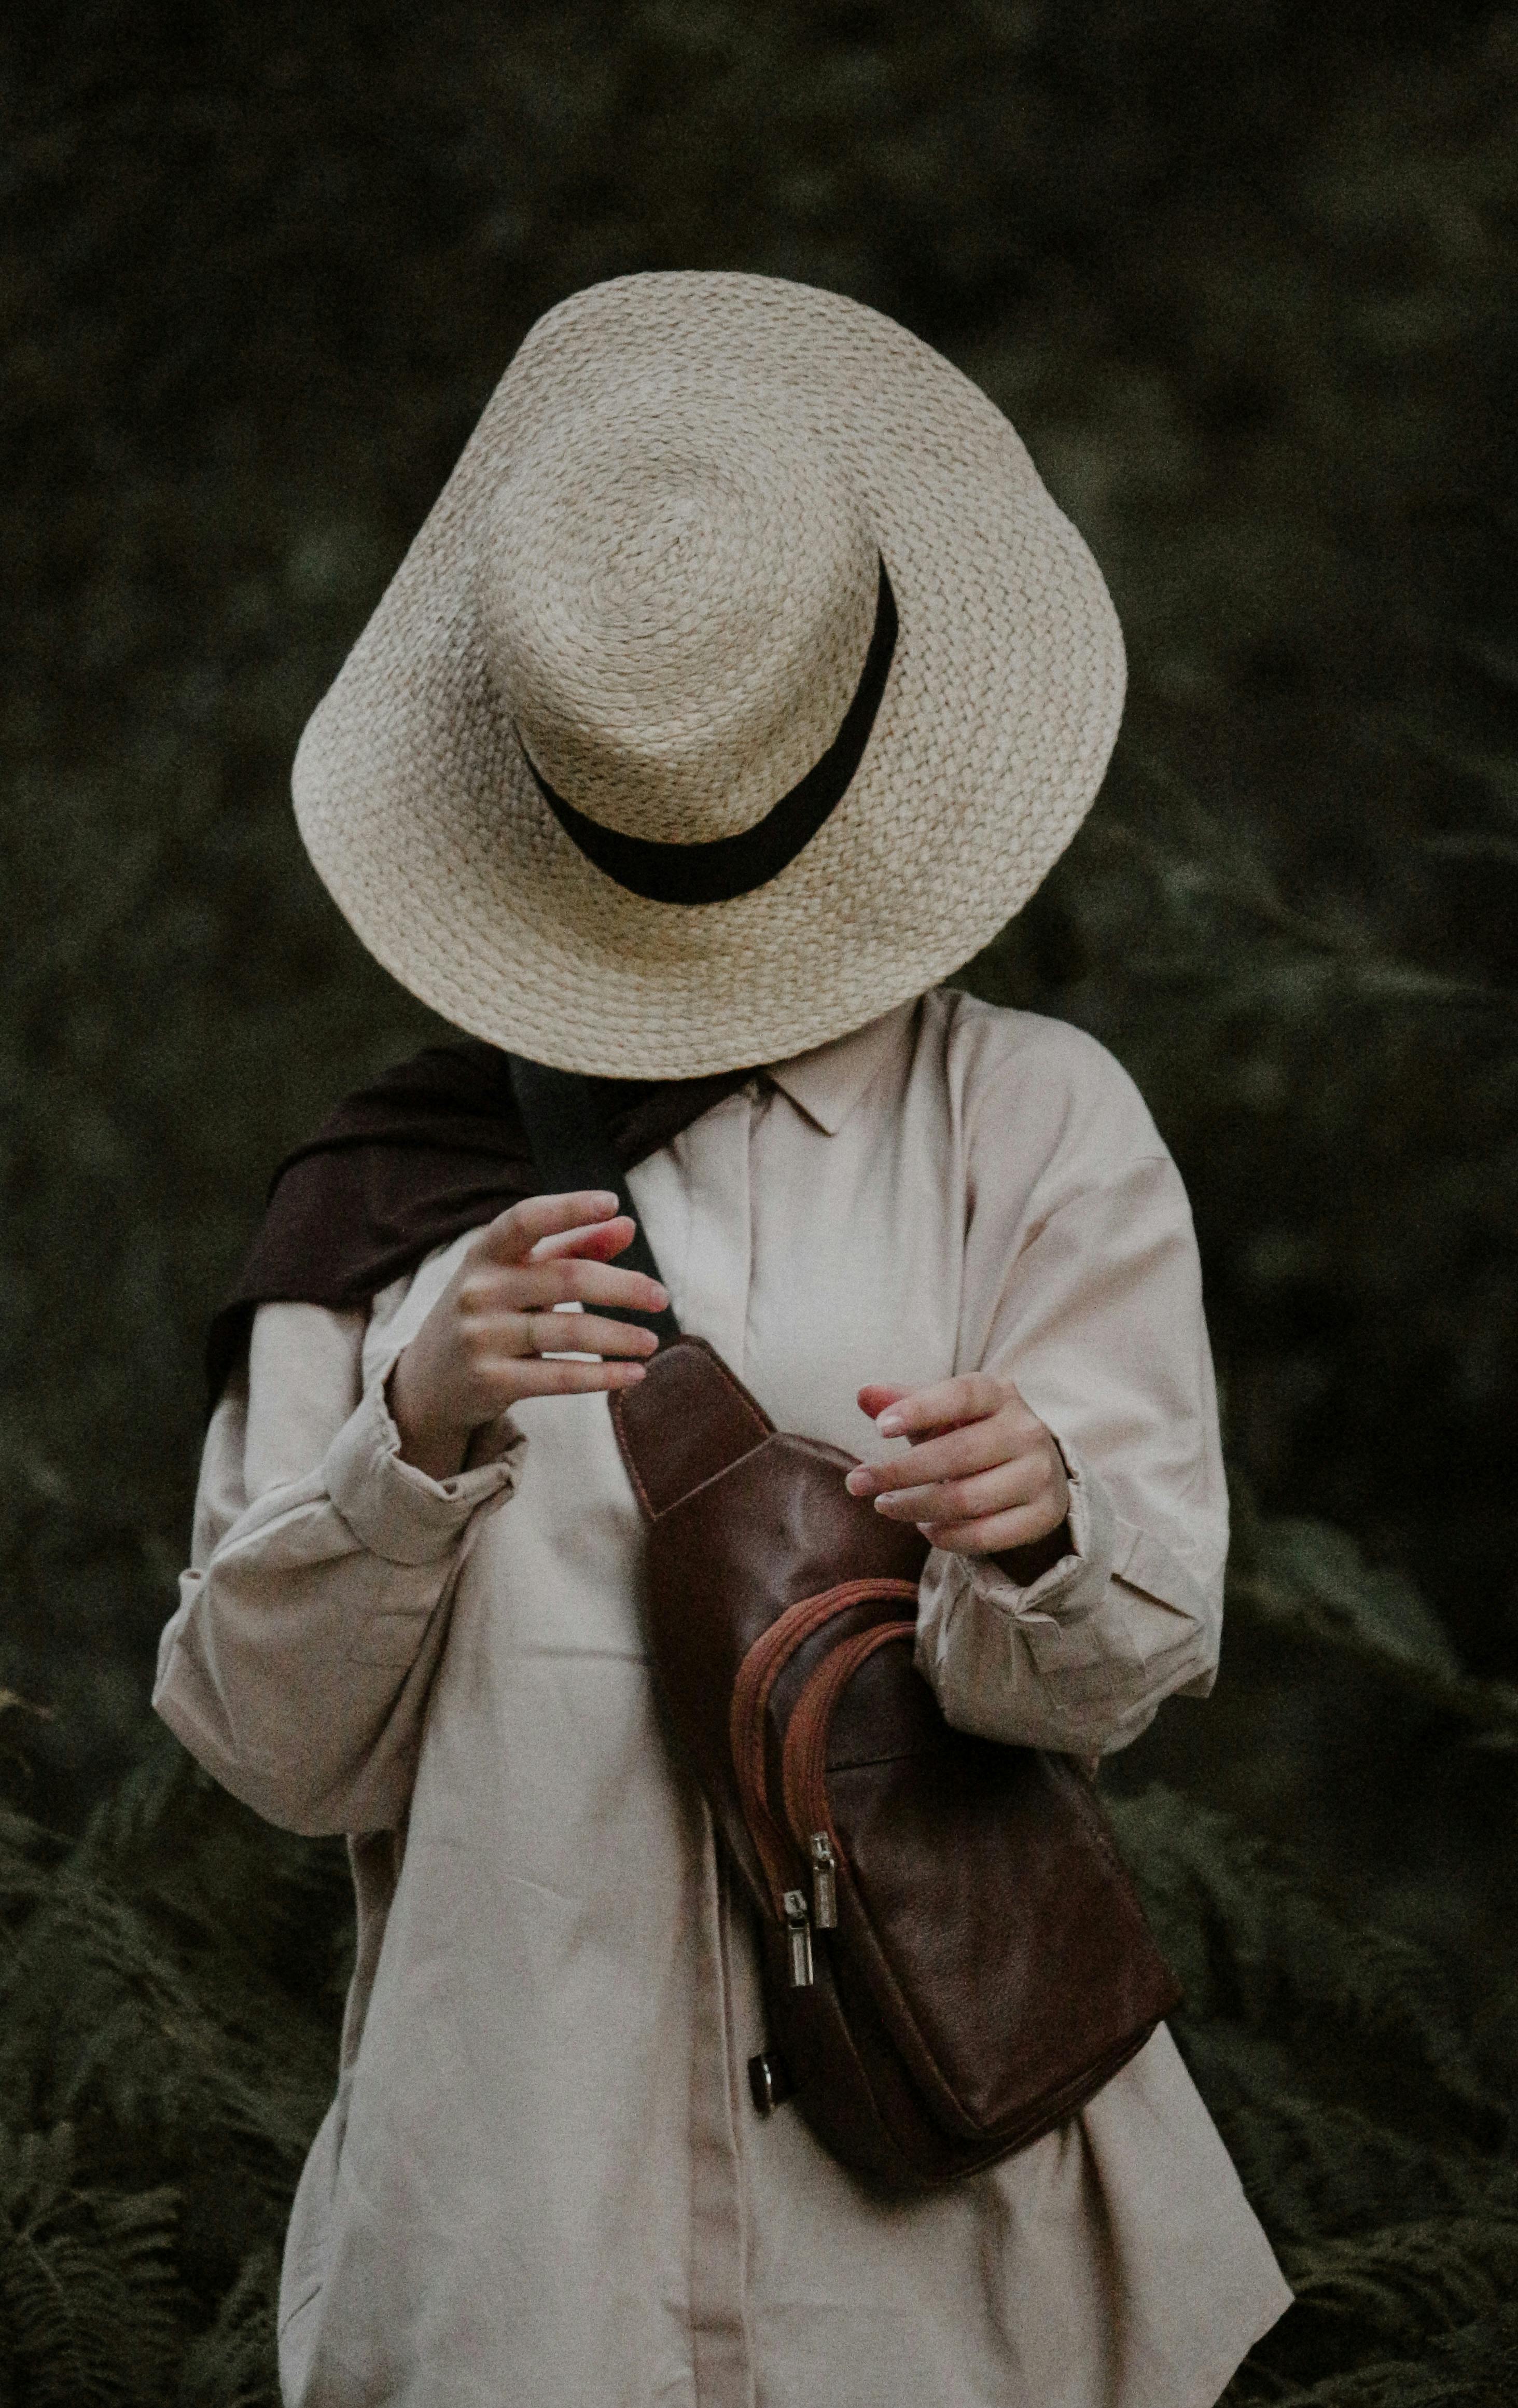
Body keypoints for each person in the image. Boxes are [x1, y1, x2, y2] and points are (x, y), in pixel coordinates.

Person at [155, 271, 1291, 2408]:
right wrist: (415, 1430)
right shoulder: (394, 1194)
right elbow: (265, 1745)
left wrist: (1043, 1529)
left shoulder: (1029, 1123)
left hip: (936, 2272)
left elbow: (1125, 1678)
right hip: (517, 2257)